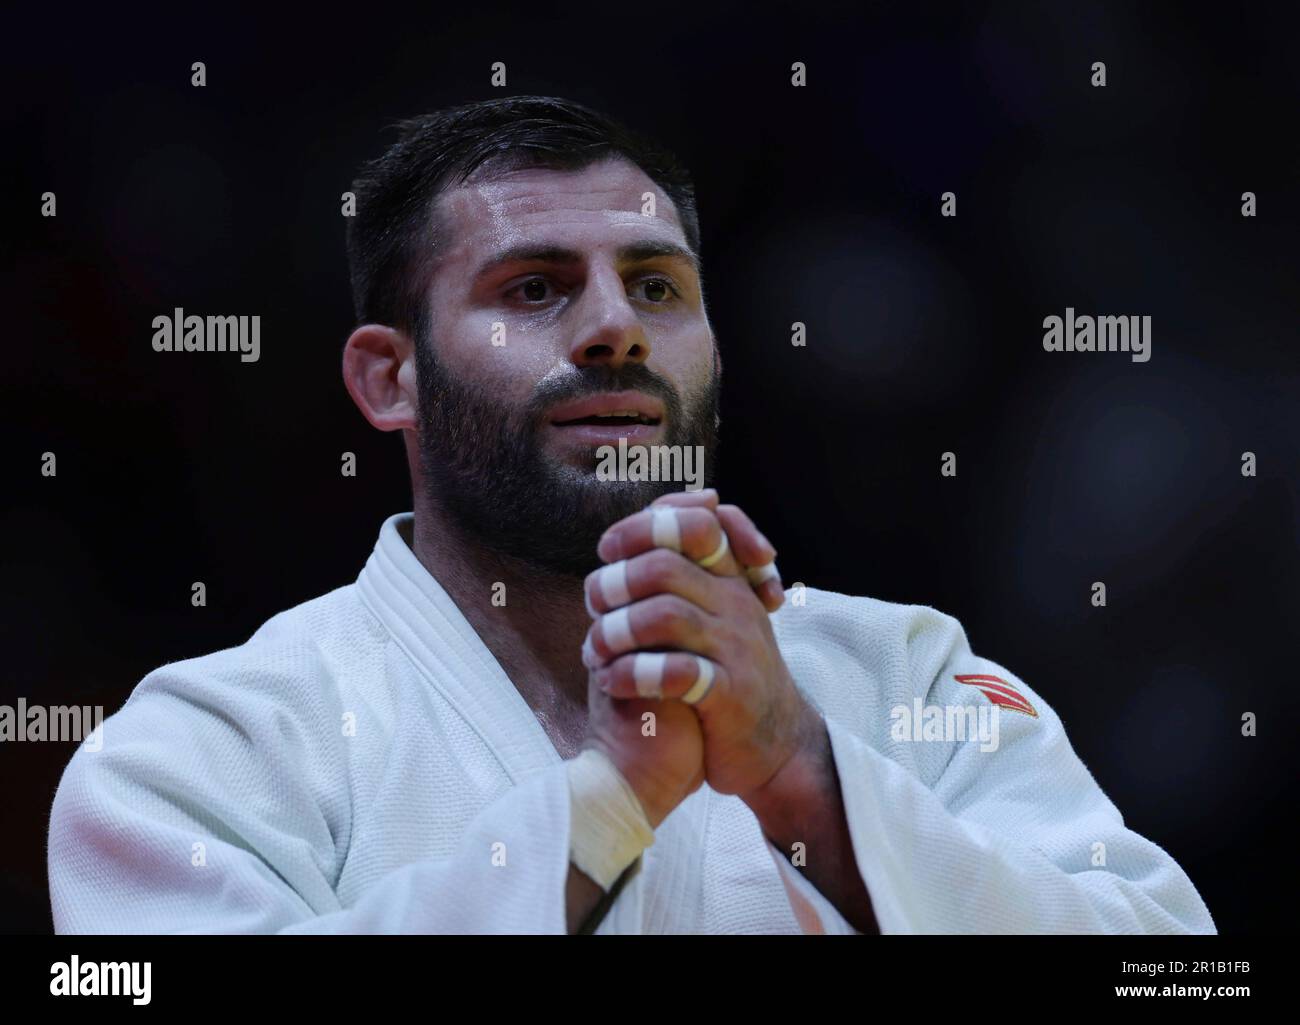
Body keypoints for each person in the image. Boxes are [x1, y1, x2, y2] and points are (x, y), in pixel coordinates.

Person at [47, 96, 1215, 934]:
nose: (618, 329)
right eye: (535, 287)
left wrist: (804, 779)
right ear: (387, 379)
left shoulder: (902, 674)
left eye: (657, 285)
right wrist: (608, 803)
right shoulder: (206, 746)